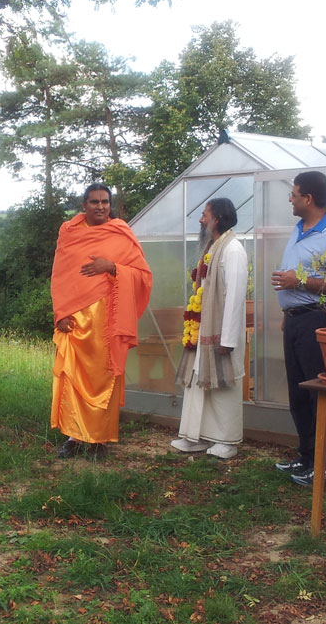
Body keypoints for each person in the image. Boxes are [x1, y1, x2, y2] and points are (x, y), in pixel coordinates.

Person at [51, 183, 153, 458]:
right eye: (94, 201)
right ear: (83, 205)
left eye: (105, 202)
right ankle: (74, 437)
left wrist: (112, 267)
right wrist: (60, 313)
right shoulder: (69, 234)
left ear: (110, 205)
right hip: (75, 322)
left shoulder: (120, 234)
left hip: (108, 323)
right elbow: (59, 276)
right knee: (73, 377)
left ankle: (99, 441)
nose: (100, 206)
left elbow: (143, 275)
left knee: (105, 378)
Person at [271, 170, 326, 486]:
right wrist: (287, 311)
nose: (290, 199)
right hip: (295, 320)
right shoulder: (299, 228)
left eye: (293, 194)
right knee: (298, 393)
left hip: (319, 320)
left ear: (308, 198)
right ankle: (307, 456)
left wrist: (300, 282)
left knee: (319, 394)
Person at [171, 198, 248, 459]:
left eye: (204, 215)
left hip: (222, 332)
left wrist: (227, 339)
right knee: (198, 382)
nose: (201, 220)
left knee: (222, 385)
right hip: (203, 330)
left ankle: (226, 441)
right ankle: (197, 437)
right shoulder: (213, 247)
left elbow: (236, 297)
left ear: (216, 219)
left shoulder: (233, 249)